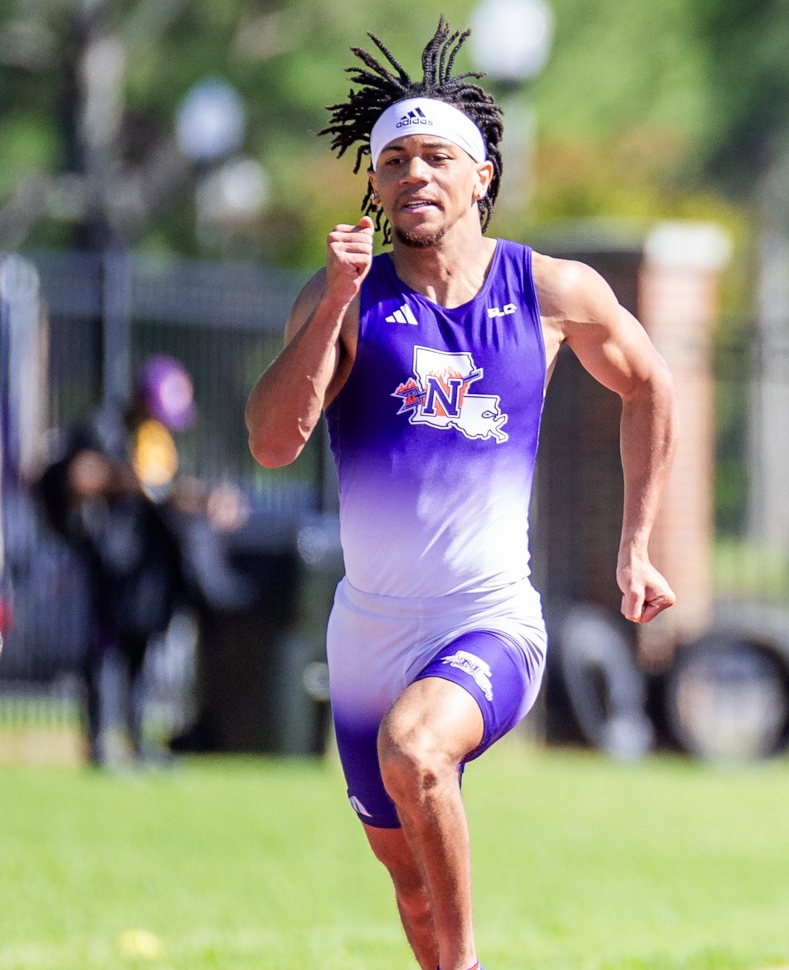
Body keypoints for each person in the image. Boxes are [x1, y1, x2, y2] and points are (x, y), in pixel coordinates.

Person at [245, 19, 675, 970]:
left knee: (417, 754)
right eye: (393, 158)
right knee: (408, 886)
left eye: (436, 155)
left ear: (480, 174)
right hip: (367, 633)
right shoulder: (343, 298)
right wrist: (329, 309)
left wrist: (636, 543)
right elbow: (274, 444)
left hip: (487, 619)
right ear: (375, 181)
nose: (414, 175)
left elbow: (649, 385)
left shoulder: (552, 289)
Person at [38, 354, 243, 767]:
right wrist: (125, 478)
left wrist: (204, 500)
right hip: (108, 558)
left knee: (142, 652)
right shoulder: (101, 427)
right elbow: (76, 477)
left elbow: (165, 490)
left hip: (144, 565)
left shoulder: (157, 440)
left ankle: (134, 741)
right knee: (105, 651)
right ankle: (100, 743)